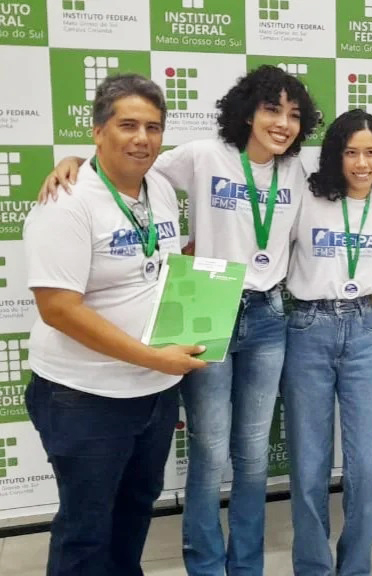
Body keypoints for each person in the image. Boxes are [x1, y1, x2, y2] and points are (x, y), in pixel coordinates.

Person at [39, 65, 319, 576]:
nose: (282, 123)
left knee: (253, 454)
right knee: (209, 451)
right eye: (271, 109)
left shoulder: (295, 171)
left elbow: (328, 212)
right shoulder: (204, 155)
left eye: (294, 115)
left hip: (268, 313)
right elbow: (127, 171)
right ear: (247, 112)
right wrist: (73, 161)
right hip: (207, 307)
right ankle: (206, 566)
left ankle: (246, 565)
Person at [23, 74, 207, 576]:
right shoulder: (67, 201)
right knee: (85, 530)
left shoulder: (159, 188)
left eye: (153, 127)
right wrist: (153, 358)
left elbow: (157, 267)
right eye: (128, 125)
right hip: (85, 396)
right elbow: (58, 308)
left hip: (153, 391)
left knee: (133, 514)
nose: (142, 138)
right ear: (98, 130)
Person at [280, 108, 372, 576]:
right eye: (351, 152)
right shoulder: (307, 198)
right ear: (336, 155)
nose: (362, 163)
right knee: (309, 465)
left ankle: (354, 567)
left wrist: (363, 319)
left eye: (371, 152)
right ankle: (313, 567)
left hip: (363, 332)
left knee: (369, 469)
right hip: (308, 328)